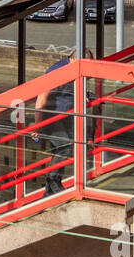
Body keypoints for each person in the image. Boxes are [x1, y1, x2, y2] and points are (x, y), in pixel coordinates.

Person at [33, 51, 92, 196]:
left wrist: (83, 95)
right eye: (84, 62)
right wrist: (37, 125)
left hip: (66, 114)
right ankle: (53, 180)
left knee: (58, 150)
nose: (86, 66)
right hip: (51, 115)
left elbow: (76, 86)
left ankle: (48, 191)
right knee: (65, 146)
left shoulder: (76, 68)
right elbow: (41, 98)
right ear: (72, 59)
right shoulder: (57, 71)